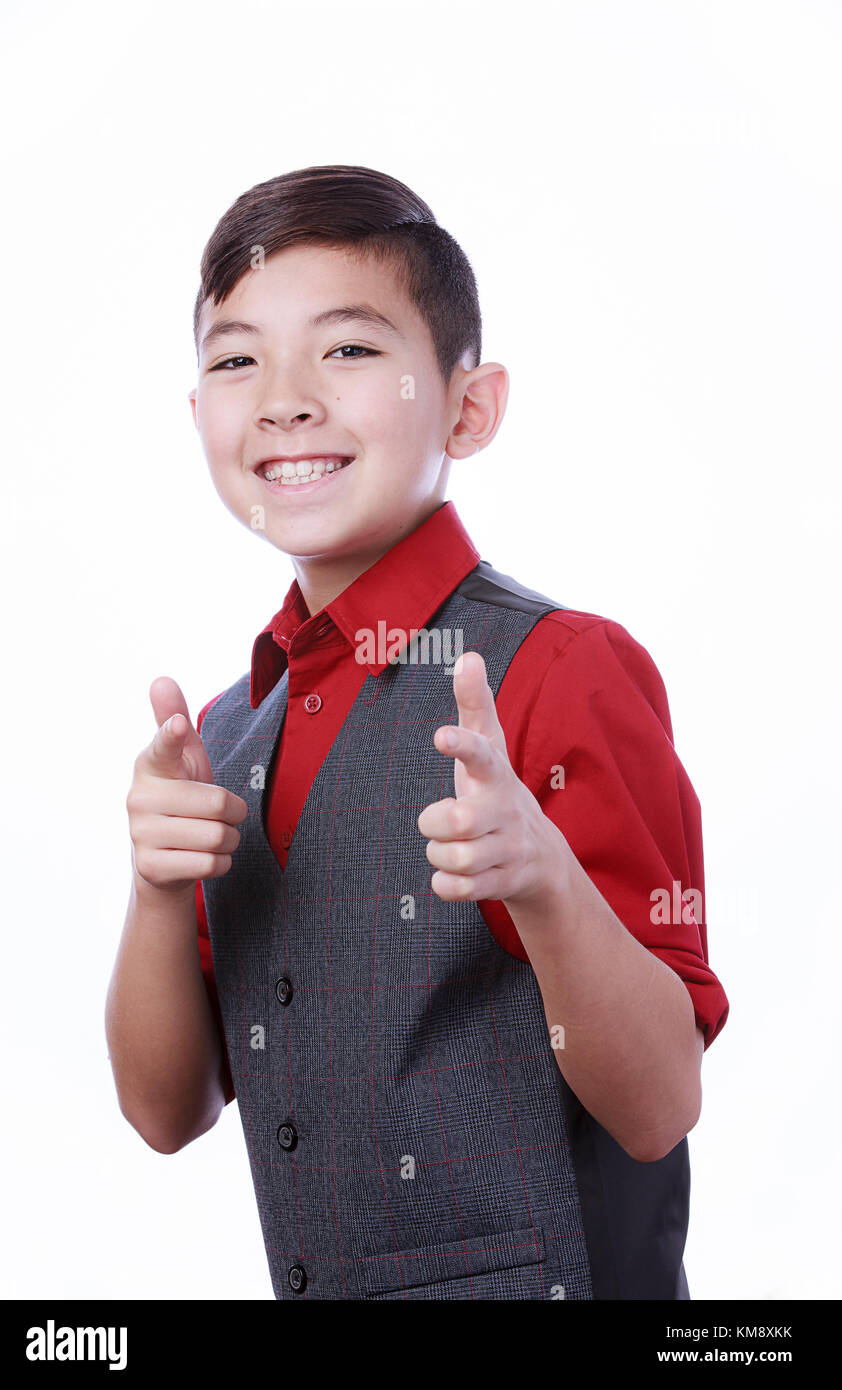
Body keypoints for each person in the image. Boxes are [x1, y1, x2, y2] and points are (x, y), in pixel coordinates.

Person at [105, 165, 729, 1301]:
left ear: (467, 407)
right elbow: (166, 1111)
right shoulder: (230, 732)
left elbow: (658, 1108)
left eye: (346, 349)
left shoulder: (562, 670)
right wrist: (154, 887)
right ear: (197, 415)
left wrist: (539, 874)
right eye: (237, 358)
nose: (284, 397)